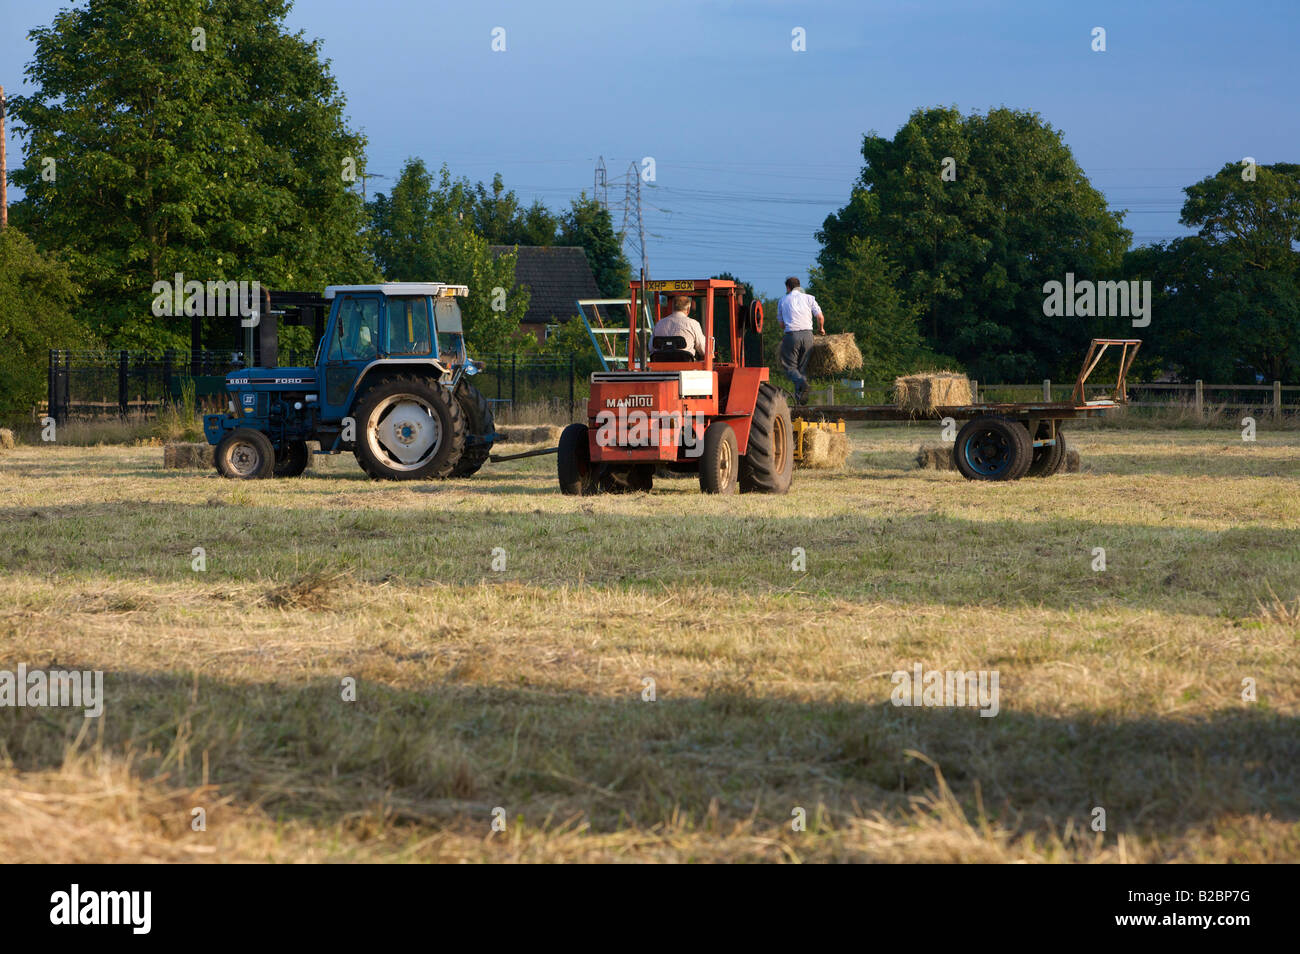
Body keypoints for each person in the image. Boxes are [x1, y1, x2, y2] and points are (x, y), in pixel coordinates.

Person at [776, 276, 825, 404]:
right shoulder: (809, 298)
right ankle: (801, 401)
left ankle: (802, 383)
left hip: (792, 335)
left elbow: (781, 325)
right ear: (799, 286)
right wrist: (821, 329)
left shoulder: (783, 300)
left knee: (790, 368)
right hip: (808, 336)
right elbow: (820, 317)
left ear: (788, 287)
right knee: (802, 369)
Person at [651, 296, 708, 360]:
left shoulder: (659, 324)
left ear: (673, 308)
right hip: (686, 367)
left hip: (661, 366)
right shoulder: (693, 324)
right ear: (688, 309)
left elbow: (651, 347)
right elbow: (704, 350)